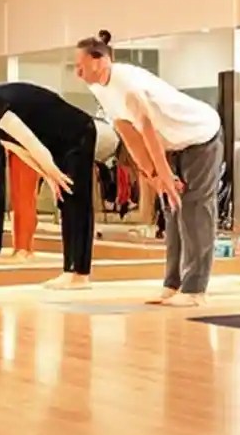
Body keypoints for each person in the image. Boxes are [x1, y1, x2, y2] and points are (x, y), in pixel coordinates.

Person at [76, 30, 223, 307]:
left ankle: (195, 289)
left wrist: (164, 173)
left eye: (79, 65)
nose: (77, 72)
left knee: (193, 207)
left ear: (99, 61)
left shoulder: (126, 82)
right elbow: (126, 130)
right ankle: (173, 283)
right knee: (171, 207)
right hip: (172, 143)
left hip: (200, 135)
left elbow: (146, 127)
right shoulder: (99, 87)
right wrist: (154, 176)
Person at [0, 74, 95, 287]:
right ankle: (72, 270)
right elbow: (19, 149)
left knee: (76, 201)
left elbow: (32, 144)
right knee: (66, 199)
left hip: (76, 132)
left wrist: (53, 172)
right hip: (52, 141)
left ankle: (79, 273)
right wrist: (49, 175)